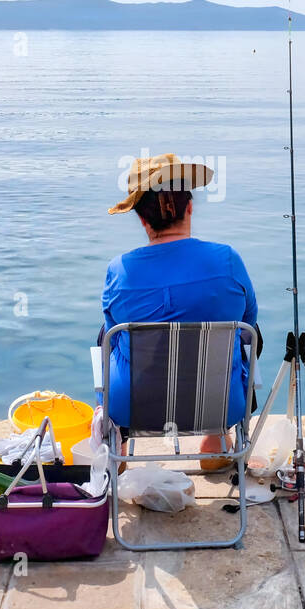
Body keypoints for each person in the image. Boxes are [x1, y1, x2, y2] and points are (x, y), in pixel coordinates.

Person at [102, 153, 260, 471]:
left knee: (111, 335)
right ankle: (216, 440)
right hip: (221, 406)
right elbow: (249, 326)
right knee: (244, 333)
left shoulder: (119, 270)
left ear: (142, 220)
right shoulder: (228, 260)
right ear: (189, 208)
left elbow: (111, 336)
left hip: (133, 408)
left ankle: (117, 443)